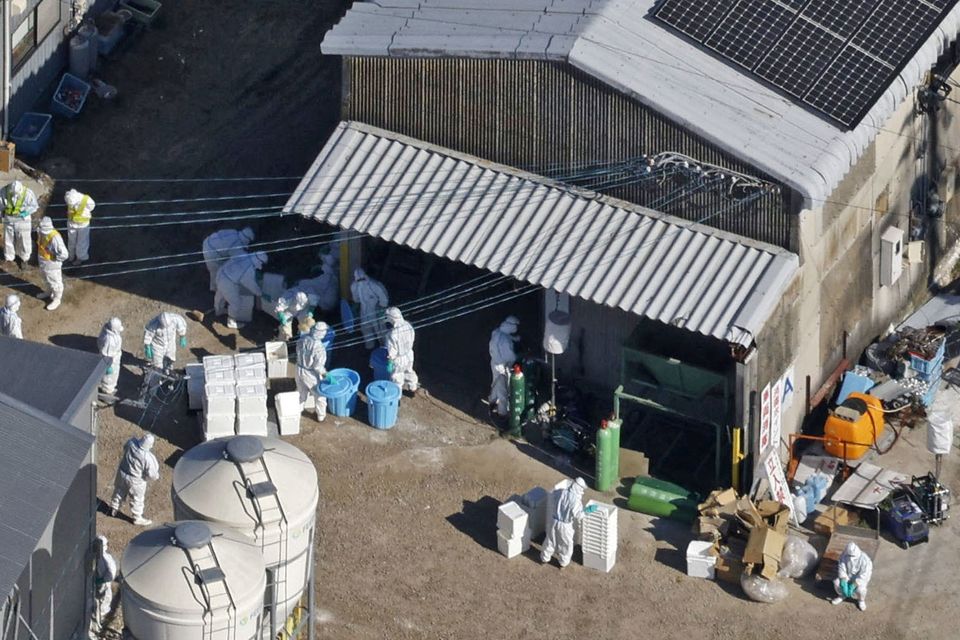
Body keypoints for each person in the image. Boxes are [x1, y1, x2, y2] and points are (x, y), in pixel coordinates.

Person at [109, 433, 160, 526]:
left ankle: (114, 508)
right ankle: (137, 518)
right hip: (136, 481)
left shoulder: (131, 442)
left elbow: (124, 448)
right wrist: (151, 477)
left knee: (119, 491)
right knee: (137, 499)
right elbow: (152, 474)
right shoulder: (148, 457)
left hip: (122, 473)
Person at [540, 477, 586, 568]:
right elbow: (578, 516)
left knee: (550, 540)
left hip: (553, 521)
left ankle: (544, 558)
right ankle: (563, 563)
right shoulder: (576, 501)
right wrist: (587, 511)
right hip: (565, 525)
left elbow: (552, 495)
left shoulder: (561, 492)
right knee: (566, 544)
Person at [214, 251, 267, 329]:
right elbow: (251, 285)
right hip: (228, 282)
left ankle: (218, 310)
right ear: (258, 260)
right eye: (261, 263)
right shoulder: (249, 269)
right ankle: (231, 322)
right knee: (236, 302)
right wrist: (260, 293)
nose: (261, 266)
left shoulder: (243, 255)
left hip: (221, 273)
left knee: (220, 294)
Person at [202, 227, 255, 291]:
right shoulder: (236, 245)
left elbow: (221, 232)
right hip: (211, 253)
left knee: (223, 266)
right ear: (246, 240)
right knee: (216, 271)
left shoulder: (233, 231)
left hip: (208, 242)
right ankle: (216, 289)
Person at [296, 321, 329, 421]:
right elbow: (318, 367)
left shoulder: (303, 339)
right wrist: (327, 375)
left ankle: (297, 410)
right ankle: (320, 416)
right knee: (319, 395)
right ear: (321, 333)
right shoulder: (320, 348)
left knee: (301, 391)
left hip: (298, 368)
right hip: (310, 373)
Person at [488, 316, 520, 416]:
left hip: (494, 363)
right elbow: (511, 357)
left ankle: (492, 401)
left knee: (495, 384)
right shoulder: (506, 342)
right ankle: (502, 413)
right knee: (503, 390)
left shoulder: (497, 332)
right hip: (502, 367)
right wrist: (518, 357)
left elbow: (505, 336)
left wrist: (515, 338)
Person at [1, 180, 38, 265]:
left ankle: (25, 258)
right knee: (8, 238)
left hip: (22, 219)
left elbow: (34, 206)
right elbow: (0, 205)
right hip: (9, 218)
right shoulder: (4, 191)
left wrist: (25, 213)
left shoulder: (28, 193)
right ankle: (9, 257)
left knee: (24, 238)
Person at [350, 268, 389, 349]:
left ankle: (385, 347)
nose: (361, 281)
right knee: (365, 330)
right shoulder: (355, 286)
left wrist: (381, 308)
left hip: (376, 312)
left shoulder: (375, 285)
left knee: (381, 330)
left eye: (362, 278)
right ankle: (369, 347)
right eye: (358, 279)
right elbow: (356, 299)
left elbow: (384, 298)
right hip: (364, 312)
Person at [36, 217, 69, 310]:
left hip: (52, 263)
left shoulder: (55, 238)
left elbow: (64, 254)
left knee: (54, 280)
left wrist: (55, 258)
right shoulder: (40, 231)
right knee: (45, 277)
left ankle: (57, 298)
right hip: (43, 259)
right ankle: (48, 291)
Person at [384, 306, 418, 393]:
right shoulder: (408, 325)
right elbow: (413, 338)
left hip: (399, 359)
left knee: (397, 378)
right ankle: (413, 388)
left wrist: (390, 362)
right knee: (409, 371)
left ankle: (397, 398)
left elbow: (392, 351)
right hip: (409, 354)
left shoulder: (392, 334)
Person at [831, 542, 873, 611]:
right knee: (836, 582)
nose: (850, 558)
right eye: (849, 556)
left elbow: (864, 575)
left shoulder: (865, 560)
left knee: (861, 590)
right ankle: (842, 595)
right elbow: (841, 566)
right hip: (848, 576)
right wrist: (843, 579)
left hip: (859, 579)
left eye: (852, 556)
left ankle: (861, 600)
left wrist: (854, 584)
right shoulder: (844, 555)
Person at [64, 188, 96, 264]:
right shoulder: (68, 197)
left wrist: (83, 212)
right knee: (72, 241)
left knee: (82, 242)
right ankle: (71, 256)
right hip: (72, 222)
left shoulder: (87, 199)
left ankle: (80, 258)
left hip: (83, 224)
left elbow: (92, 207)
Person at [93, 535, 117, 624]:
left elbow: (111, 574)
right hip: (97, 580)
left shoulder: (106, 558)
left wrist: (102, 580)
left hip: (104, 583)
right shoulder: (96, 556)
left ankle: (102, 615)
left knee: (104, 598)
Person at [98, 317, 124, 395]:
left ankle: (109, 388)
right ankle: (107, 390)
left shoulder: (107, 329)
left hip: (113, 354)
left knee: (112, 374)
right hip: (111, 359)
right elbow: (106, 355)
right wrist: (108, 366)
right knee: (110, 376)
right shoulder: (110, 341)